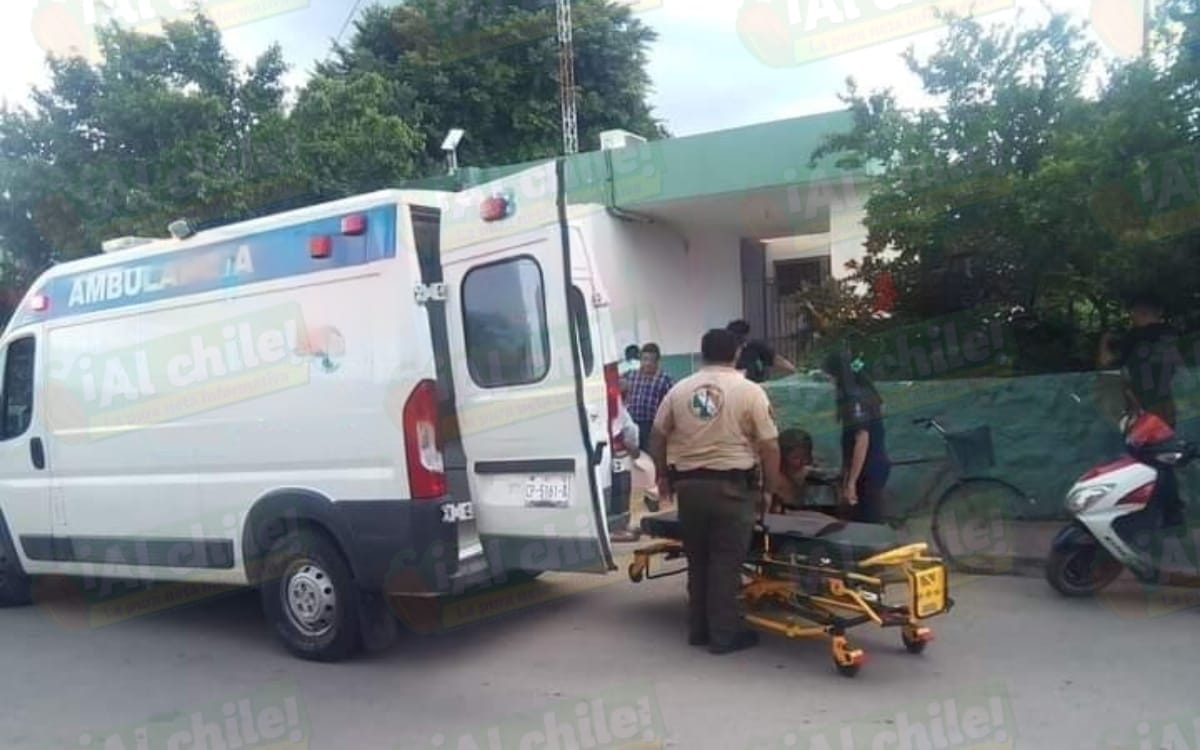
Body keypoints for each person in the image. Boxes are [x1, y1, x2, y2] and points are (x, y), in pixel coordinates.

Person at [650, 328, 783, 654]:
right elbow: (769, 446)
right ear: (736, 353)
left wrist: (663, 476)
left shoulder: (679, 390)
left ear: (703, 352)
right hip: (732, 490)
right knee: (725, 562)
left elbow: (657, 435)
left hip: (690, 488)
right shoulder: (750, 391)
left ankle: (698, 630)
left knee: (698, 560)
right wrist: (770, 489)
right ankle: (724, 636)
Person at [822, 350, 890, 524]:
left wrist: (851, 482)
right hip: (875, 466)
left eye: (830, 376)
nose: (830, 381)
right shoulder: (868, 391)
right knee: (867, 517)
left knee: (866, 520)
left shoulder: (854, 398)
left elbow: (862, 439)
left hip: (867, 470)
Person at [1097, 292, 1182, 429]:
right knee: (1166, 440)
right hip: (1168, 402)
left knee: (1146, 443)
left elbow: (1106, 362)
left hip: (1143, 404)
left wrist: (1104, 340)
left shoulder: (1134, 338)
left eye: (1132, 313)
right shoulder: (1172, 334)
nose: (1131, 317)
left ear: (1139, 312)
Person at [623, 343, 674, 454]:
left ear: (658, 361)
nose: (648, 363)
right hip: (632, 424)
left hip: (652, 426)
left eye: (652, 360)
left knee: (651, 457)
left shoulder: (664, 379)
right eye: (645, 359)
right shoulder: (630, 375)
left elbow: (671, 405)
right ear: (640, 359)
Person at [727, 320, 797, 383]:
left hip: (758, 384)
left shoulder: (756, 347)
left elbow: (776, 359)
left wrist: (794, 370)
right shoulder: (726, 350)